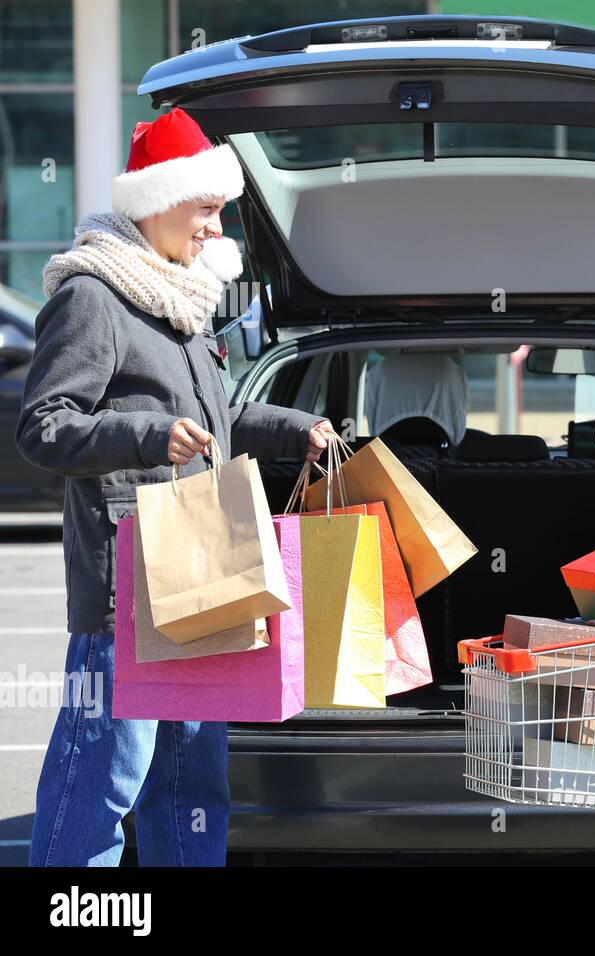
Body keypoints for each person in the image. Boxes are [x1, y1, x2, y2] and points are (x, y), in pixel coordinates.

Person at [16, 108, 334, 866]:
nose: (216, 226)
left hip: (205, 579)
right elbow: (43, 427)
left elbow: (218, 418)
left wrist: (297, 430)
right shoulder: (95, 296)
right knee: (102, 779)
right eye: (207, 207)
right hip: (128, 591)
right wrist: (146, 435)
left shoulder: (181, 300)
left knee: (192, 785)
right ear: (158, 200)